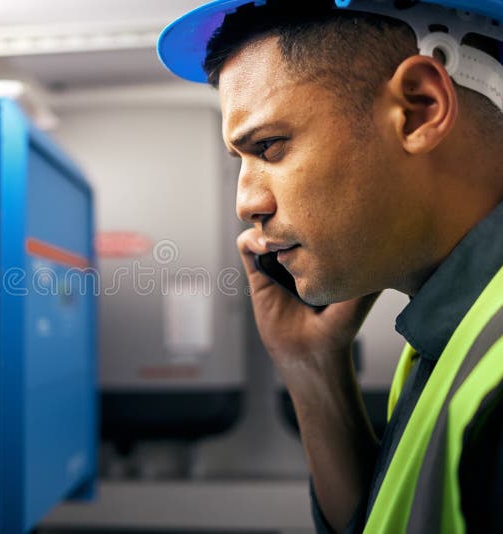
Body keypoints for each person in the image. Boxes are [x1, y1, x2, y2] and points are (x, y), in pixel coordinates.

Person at [158, 0, 503, 532]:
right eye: (240, 161)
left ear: (420, 108)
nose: (246, 204)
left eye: (269, 146)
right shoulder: (453, 329)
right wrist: (311, 365)